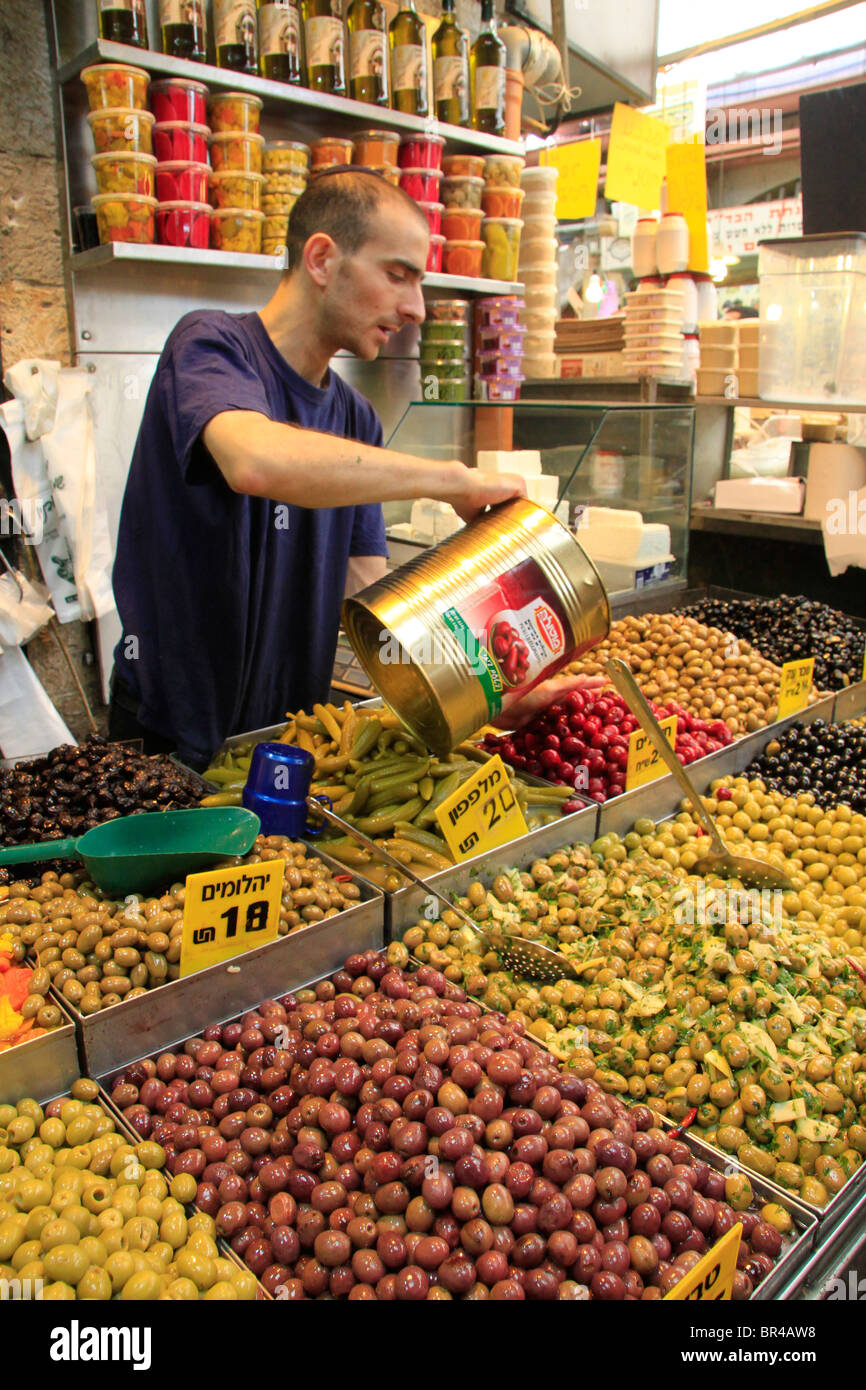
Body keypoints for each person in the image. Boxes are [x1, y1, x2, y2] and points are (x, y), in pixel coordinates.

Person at [110, 170, 538, 770]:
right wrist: (455, 481)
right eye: (398, 275)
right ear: (320, 259)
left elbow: (368, 599)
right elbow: (255, 460)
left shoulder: (356, 417)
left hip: (285, 740)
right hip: (169, 732)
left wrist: (481, 691)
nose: (415, 308)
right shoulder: (210, 345)